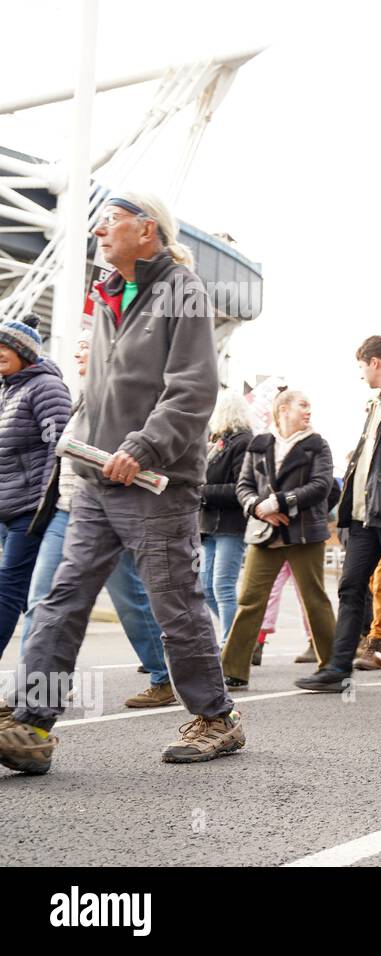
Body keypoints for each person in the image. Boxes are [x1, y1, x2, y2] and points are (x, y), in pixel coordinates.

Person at [1, 191, 243, 773]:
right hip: (95, 480)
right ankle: (31, 723)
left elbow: (192, 388)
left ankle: (217, 717)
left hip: (154, 479)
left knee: (175, 606)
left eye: (112, 221)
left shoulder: (182, 291)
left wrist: (140, 447)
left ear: (148, 232)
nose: (100, 231)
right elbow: (107, 392)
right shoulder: (109, 293)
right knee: (60, 601)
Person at [19, 329, 171, 709]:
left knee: (131, 601)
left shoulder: (123, 397)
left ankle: (165, 675)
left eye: (86, 347)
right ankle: (37, 690)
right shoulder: (80, 398)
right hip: (68, 508)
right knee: (43, 599)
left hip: (110, 510)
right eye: (78, 348)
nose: (79, 355)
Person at [295, 336, 381, 692]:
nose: (360, 375)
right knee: (351, 587)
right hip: (364, 518)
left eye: (361, 366)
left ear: (374, 362)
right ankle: (338, 668)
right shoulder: (376, 405)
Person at [220, 390, 337, 686]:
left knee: (315, 600)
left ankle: (334, 669)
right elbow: (243, 485)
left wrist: (280, 502)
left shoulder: (317, 444)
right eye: (303, 405)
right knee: (249, 600)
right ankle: (231, 670)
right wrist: (258, 508)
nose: (309, 411)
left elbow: (322, 485)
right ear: (283, 410)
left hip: (304, 534)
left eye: (309, 405)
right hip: (264, 532)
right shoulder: (259, 444)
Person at [0, 315, 72, 659]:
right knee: (30, 595)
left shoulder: (46, 387)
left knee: (9, 590)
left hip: (29, 510)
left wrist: (45, 507)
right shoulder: (9, 389)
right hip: (8, 508)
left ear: (23, 351)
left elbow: (57, 450)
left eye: (4, 346)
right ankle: (48, 671)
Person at [199, 391, 253, 646]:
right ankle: (238, 638)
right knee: (207, 587)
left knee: (222, 586)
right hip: (210, 525)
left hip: (231, 525)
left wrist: (202, 492)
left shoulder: (242, 442)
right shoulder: (218, 442)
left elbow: (240, 488)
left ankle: (231, 646)